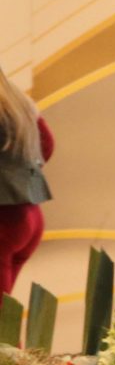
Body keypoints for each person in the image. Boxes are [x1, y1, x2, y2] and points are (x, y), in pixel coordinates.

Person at [1, 69, 53, 296]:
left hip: (4, 224)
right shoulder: (17, 100)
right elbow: (47, 146)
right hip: (29, 217)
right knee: (5, 310)